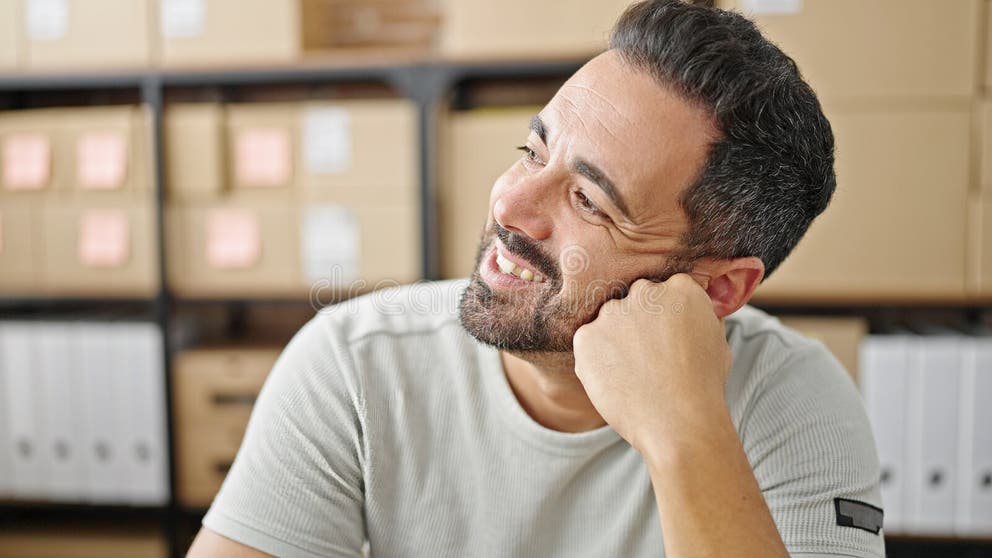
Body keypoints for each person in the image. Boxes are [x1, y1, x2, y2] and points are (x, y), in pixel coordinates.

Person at [187, 1, 885, 556]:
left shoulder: (792, 399)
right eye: (532, 151)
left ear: (717, 290)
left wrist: (686, 435)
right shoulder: (354, 363)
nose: (510, 205)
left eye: (589, 201)